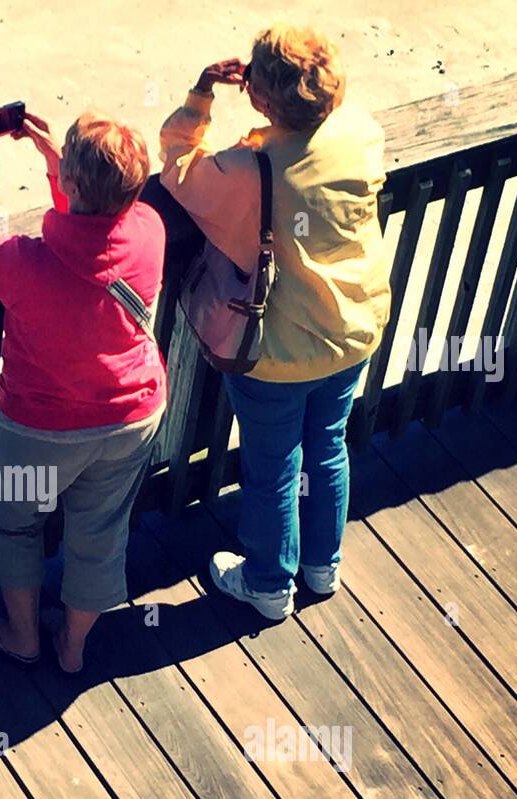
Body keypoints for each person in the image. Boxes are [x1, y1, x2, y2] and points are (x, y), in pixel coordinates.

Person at [160, 25, 392, 620]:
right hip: (352, 332)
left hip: (278, 354)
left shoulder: (248, 169)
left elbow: (178, 165)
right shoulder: (360, 134)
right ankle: (323, 565)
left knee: (273, 471)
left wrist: (201, 95)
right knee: (329, 448)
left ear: (261, 96)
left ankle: (268, 585)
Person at [0, 110, 166, 673]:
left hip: (40, 428)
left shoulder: (27, 262)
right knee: (98, 531)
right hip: (133, 414)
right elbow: (95, 238)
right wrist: (59, 167)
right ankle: (73, 647)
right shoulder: (150, 230)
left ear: (73, 185)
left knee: (14, 523)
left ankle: (23, 636)